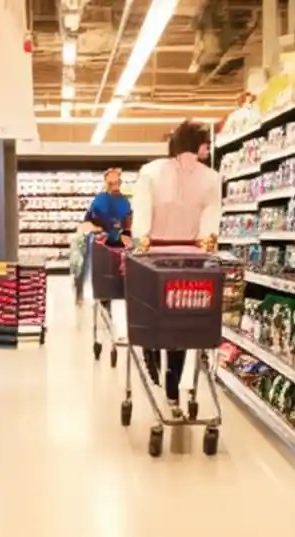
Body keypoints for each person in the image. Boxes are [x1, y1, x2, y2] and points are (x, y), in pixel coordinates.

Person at [129, 120, 222, 412]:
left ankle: (159, 366)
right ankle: (170, 386)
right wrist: (207, 243)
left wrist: (141, 240)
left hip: (156, 260)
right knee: (179, 326)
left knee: (161, 321)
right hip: (187, 262)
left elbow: (142, 211)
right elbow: (210, 218)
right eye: (205, 142)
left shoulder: (154, 172)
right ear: (196, 143)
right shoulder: (208, 178)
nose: (208, 147)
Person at [75, 168, 132, 303]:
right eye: (111, 182)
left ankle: (110, 296)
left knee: (116, 277)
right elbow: (88, 221)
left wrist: (127, 233)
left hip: (119, 245)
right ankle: (98, 298)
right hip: (101, 244)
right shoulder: (100, 200)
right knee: (101, 277)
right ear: (106, 182)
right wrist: (96, 229)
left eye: (116, 182)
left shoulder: (124, 202)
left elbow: (128, 221)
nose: (114, 185)